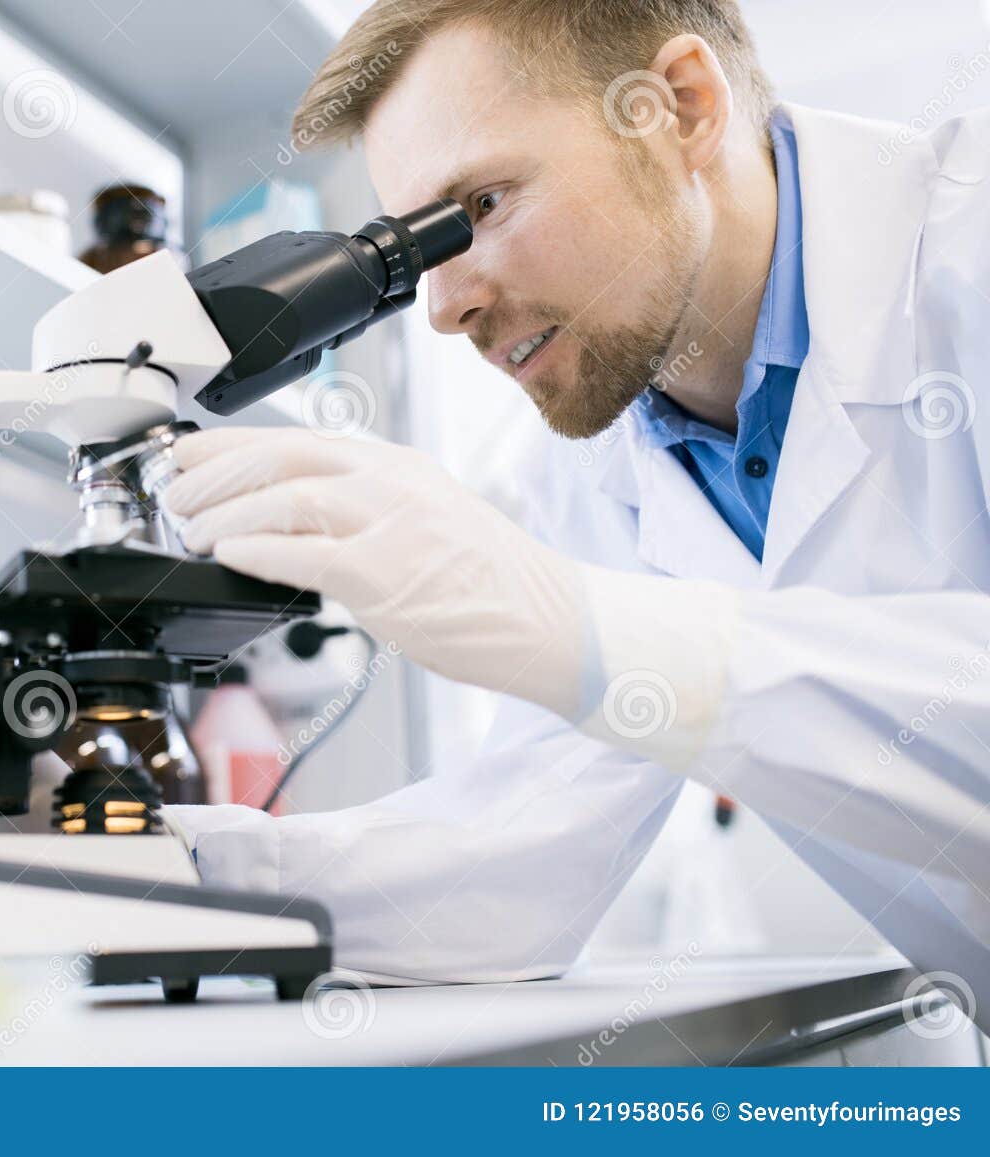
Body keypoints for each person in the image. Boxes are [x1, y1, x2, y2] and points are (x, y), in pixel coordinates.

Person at [157, 0, 990, 1030]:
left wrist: (575, 623)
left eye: (483, 202)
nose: (442, 307)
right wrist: (150, 865)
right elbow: (517, 867)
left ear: (679, 107)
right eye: (415, 249)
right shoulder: (601, 459)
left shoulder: (968, 247)